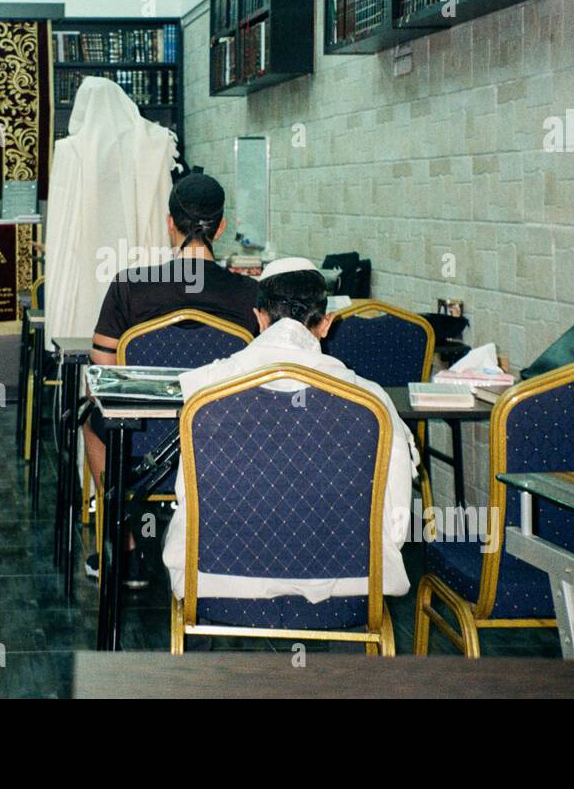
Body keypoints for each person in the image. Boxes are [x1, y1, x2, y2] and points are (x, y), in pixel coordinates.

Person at [161, 257, 420, 604]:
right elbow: (396, 515)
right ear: (326, 324)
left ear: (259, 318)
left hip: (214, 581)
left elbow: (189, 498)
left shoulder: (205, 389)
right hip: (352, 584)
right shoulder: (370, 400)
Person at [84, 172, 259, 587]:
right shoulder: (251, 296)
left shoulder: (129, 286)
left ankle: (125, 550)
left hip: (143, 443)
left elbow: (103, 375)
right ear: (221, 227)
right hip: (221, 441)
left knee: (93, 422)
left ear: (169, 223)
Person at [43, 76, 176, 349]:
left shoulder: (69, 150)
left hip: (87, 264)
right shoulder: (155, 143)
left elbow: (62, 229)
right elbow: (163, 215)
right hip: (144, 266)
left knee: (89, 330)